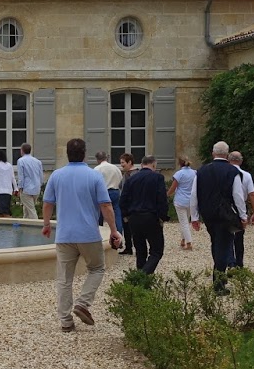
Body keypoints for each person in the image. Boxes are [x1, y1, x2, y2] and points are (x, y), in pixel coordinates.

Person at [41, 137, 121, 331]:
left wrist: (46, 224)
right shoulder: (94, 176)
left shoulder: (57, 175)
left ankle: (66, 321)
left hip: (65, 235)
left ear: (67, 153)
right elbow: (106, 205)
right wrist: (113, 230)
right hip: (88, 234)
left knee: (64, 278)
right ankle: (83, 303)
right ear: (84, 153)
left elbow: (47, 203)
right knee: (97, 268)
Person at [194, 141, 247, 293]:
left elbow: (194, 194)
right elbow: (237, 196)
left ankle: (218, 273)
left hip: (208, 213)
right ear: (227, 154)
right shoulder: (232, 171)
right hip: (225, 214)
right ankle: (219, 283)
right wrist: (243, 216)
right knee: (224, 245)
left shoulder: (202, 170)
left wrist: (195, 216)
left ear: (213, 153)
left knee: (216, 242)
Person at [119, 155, 170, 275]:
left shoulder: (131, 179)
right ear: (154, 164)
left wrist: (126, 215)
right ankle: (143, 276)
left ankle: (141, 281)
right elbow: (162, 199)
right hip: (151, 217)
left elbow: (123, 200)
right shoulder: (158, 178)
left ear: (141, 165)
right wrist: (162, 216)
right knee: (157, 251)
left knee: (140, 251)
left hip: (134, 218)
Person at [229, 150, 254, 267]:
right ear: (241, 161)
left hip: (228, 207)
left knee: (228, 235)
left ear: (228, 160)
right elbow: (252, 194)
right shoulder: (246, 175)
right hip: (242, 207)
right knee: (239, 237)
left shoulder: (226, 173)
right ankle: (239, 262)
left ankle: (230, 262)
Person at [94, 151, 124, 250]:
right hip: (115, 191)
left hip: (103, 192)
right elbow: (120, 179)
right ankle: (118, 239)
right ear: (107, 158)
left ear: (98, 159)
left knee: (100, 215)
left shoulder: (97, 169)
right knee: (116, 214)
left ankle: (99, 239)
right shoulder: (115, 168)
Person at [169, 156, 197, 251]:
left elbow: (173, 187)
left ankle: (189, 243)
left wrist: (166, 194)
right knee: (186, 221)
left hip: (180, 200)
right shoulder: (194, 173)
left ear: (179, 163)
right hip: (191, 201)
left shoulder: (179, 174)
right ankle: (183, 240)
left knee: (183, 222)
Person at [15, 143, 43, 220]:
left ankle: (36, 226)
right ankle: (25, 224)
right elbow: (41, 176)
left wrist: (20, 187)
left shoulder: (21, 161)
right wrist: (40, 185)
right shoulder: (37, 161)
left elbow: (21, 176)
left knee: (31, 210)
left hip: (26, 189)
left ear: (22, 150)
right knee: (27, 208)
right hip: (36, 188)